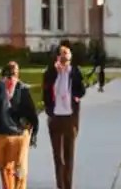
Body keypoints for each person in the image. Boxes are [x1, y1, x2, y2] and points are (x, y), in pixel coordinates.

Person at [0, 61, 38, 189]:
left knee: (20, 169)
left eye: (15, 75)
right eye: (9, 76)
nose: (12, 79)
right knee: (5, 169)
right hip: (2, 135)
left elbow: (31, 112)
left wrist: (32, 132)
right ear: (3, 77)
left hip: (20, 135)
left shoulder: (22, 90)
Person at [42, 45, 85, 189]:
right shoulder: (51, 72)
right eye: (61, 54)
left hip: (70, 118)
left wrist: (77, 97)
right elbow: (46, 90)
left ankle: (68, 185)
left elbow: (81, 89)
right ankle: (60, 185)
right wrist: (56, 72)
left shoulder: (75, 72)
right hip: (55, 118)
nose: (64, 56)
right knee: (58, 157)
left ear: (71, 57)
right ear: (57, 57)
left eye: (67, 53)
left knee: (69, 155)